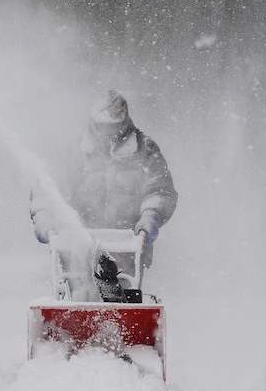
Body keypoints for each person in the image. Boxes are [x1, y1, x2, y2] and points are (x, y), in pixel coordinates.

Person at [30, 90, 178, 276]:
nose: (109, 133)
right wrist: (45, 216)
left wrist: (150, 217)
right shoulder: (74, 152)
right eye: (104, 127)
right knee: (78, 295)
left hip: (129, 249)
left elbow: (160, 189)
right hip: (76, 249)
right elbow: (48, 189)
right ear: (94, 123)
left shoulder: (145, 150)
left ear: (124, 123)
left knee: (124, 297)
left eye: (115, 127)